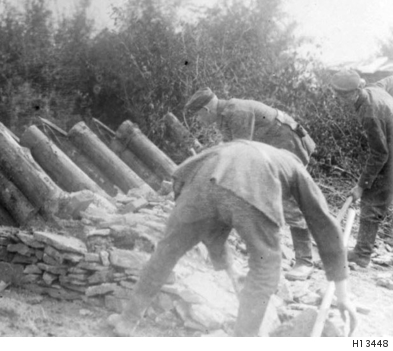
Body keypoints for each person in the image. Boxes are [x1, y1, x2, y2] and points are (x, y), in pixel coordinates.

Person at [108, 140, 357, 337]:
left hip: (202, 184)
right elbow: (324, 223)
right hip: (247, 191)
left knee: (167, 251)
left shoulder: (239, 147)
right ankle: (245, 338)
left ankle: (128, 320)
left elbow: (211, 215)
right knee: (266, 264)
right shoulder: (294, 168)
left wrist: (227, 266)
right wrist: (343, 295)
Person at [182, 87, 317, 281]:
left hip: (288, 146)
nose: (198, 122)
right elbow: (231, 150)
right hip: (272, 149)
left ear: (205, 110)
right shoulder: (224, 115)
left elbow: (242, 155)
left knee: (286, 199)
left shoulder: (237, 112)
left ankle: (305, 262)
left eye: (197, 117)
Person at [330, 69, 393, 267]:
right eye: (338, 93)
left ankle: (362, 255)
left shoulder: (370, 113)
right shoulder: (374, 88)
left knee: (372, 200)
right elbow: (390, 80)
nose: (340, 98)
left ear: (356, 91)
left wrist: (360, 186)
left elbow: (379, 154)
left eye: (343, 94)